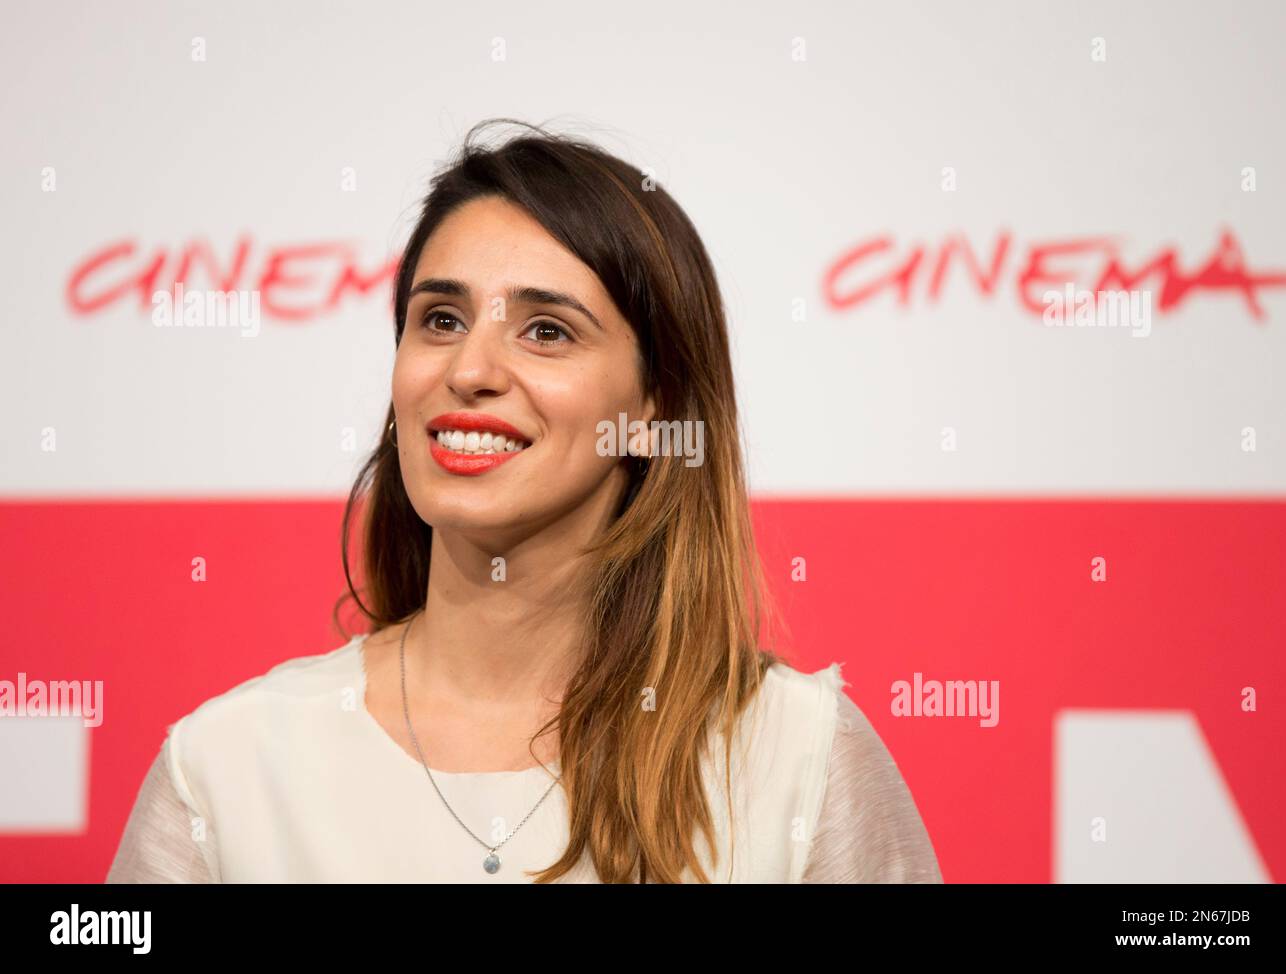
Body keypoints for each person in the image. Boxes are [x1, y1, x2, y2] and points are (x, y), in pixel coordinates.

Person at [106, 119, 942, 884]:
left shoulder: (798, 759)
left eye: (547, 330)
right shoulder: (227, 770)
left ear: (656, 408)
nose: (469, 370)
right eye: (439, 319)